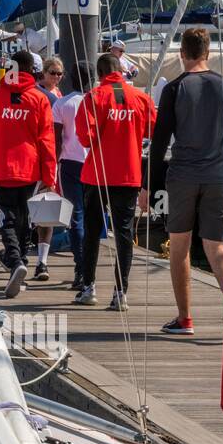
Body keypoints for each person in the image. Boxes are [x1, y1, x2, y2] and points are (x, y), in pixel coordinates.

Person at [141, 24, 223, 336]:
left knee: (180, 247)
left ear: (182, 53)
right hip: (217, 177)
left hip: (183, 176)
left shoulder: (174, 89)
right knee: (217, 249)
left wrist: (150, 187)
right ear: (207, 53)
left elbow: (159, 143)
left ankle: (185, 319)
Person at [0, 48, 56, 298]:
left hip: (4, 168)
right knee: (23, 219)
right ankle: (21, 264)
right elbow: (47, 142)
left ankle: (16, 261)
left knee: (6, 219)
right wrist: (49, 177)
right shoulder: (39, 99)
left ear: (10, 69)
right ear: (32, 71)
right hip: (30, 170)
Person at [74, 52, 156, 310]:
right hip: (128, 175)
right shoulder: (141, 98)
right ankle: (121, 293)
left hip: (97, 175)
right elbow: (153, 130)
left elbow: (85, 139)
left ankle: (88, 288)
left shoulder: (94, 98)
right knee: (124, 233)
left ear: (99, 75)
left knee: (92, 232)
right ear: (120, 70)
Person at [52, 60, 92, 291]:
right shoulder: (97, 101)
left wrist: (53, 165)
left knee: (76, 217)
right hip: (94, 164)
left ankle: (80, 267)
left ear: (70, 78)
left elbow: (57, 139)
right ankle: (89, 268)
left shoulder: (61, 104)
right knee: (92, 218)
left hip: (69, 164)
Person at [31, 55, 64, 281]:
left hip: (53, 159)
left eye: (59, 74)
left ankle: (42, 261)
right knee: (28, 211)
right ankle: (20, 256)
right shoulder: (37, 95)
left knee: (47, 211)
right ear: (43, 73)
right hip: (35, 158)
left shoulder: (58, 95)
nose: (56, 77)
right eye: (52, 72)